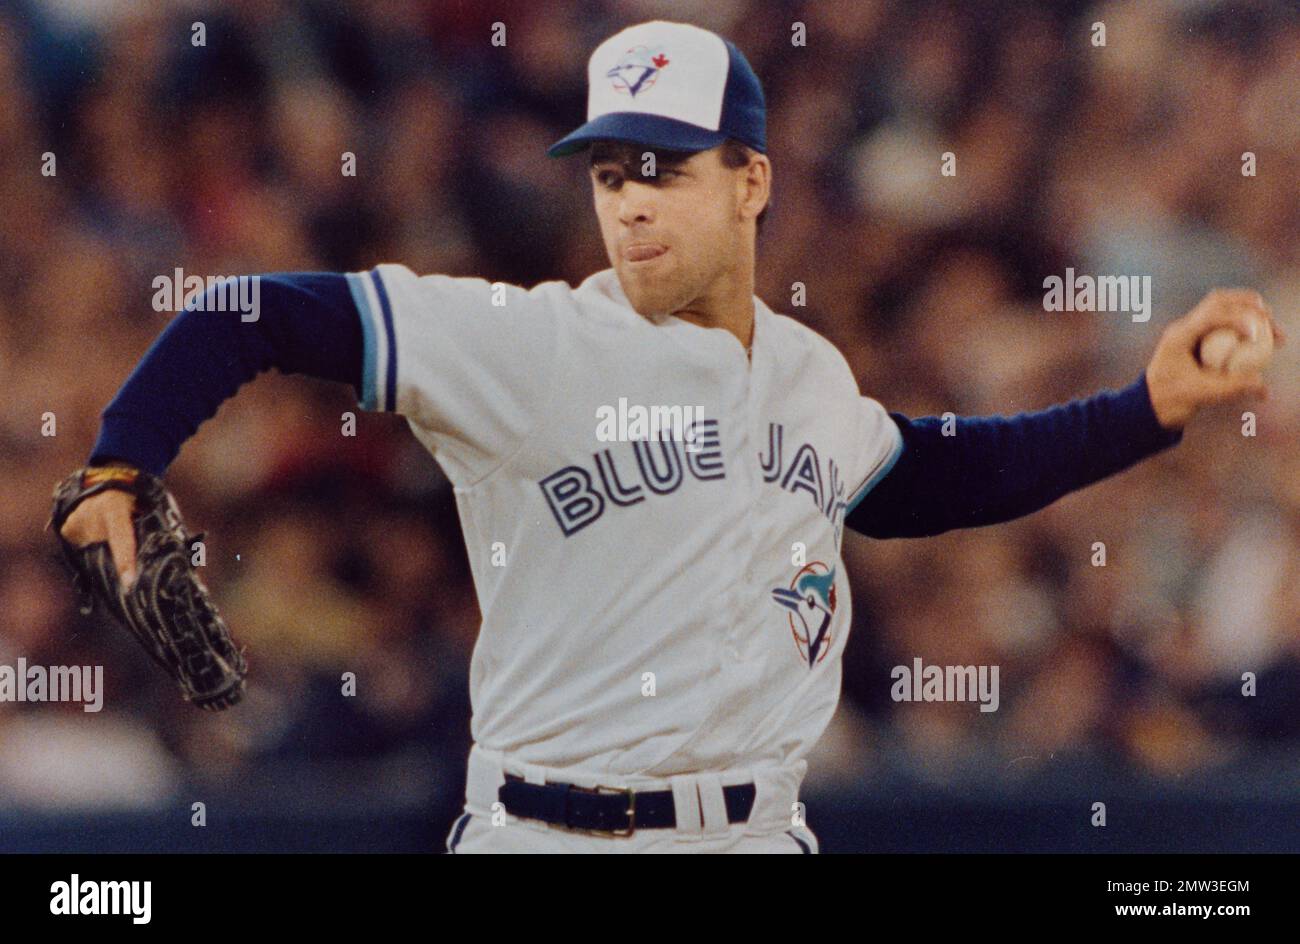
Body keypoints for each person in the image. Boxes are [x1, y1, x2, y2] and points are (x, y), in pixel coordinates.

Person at [59, 20, 1281, 853]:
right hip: (550, 830)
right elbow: (250, 309)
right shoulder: (528, 345)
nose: (629, 198)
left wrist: (1148, 406)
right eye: (607, 172)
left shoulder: (810, 374)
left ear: (750, 180)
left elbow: (937, 473)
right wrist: (124, 454)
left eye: (665, 166)